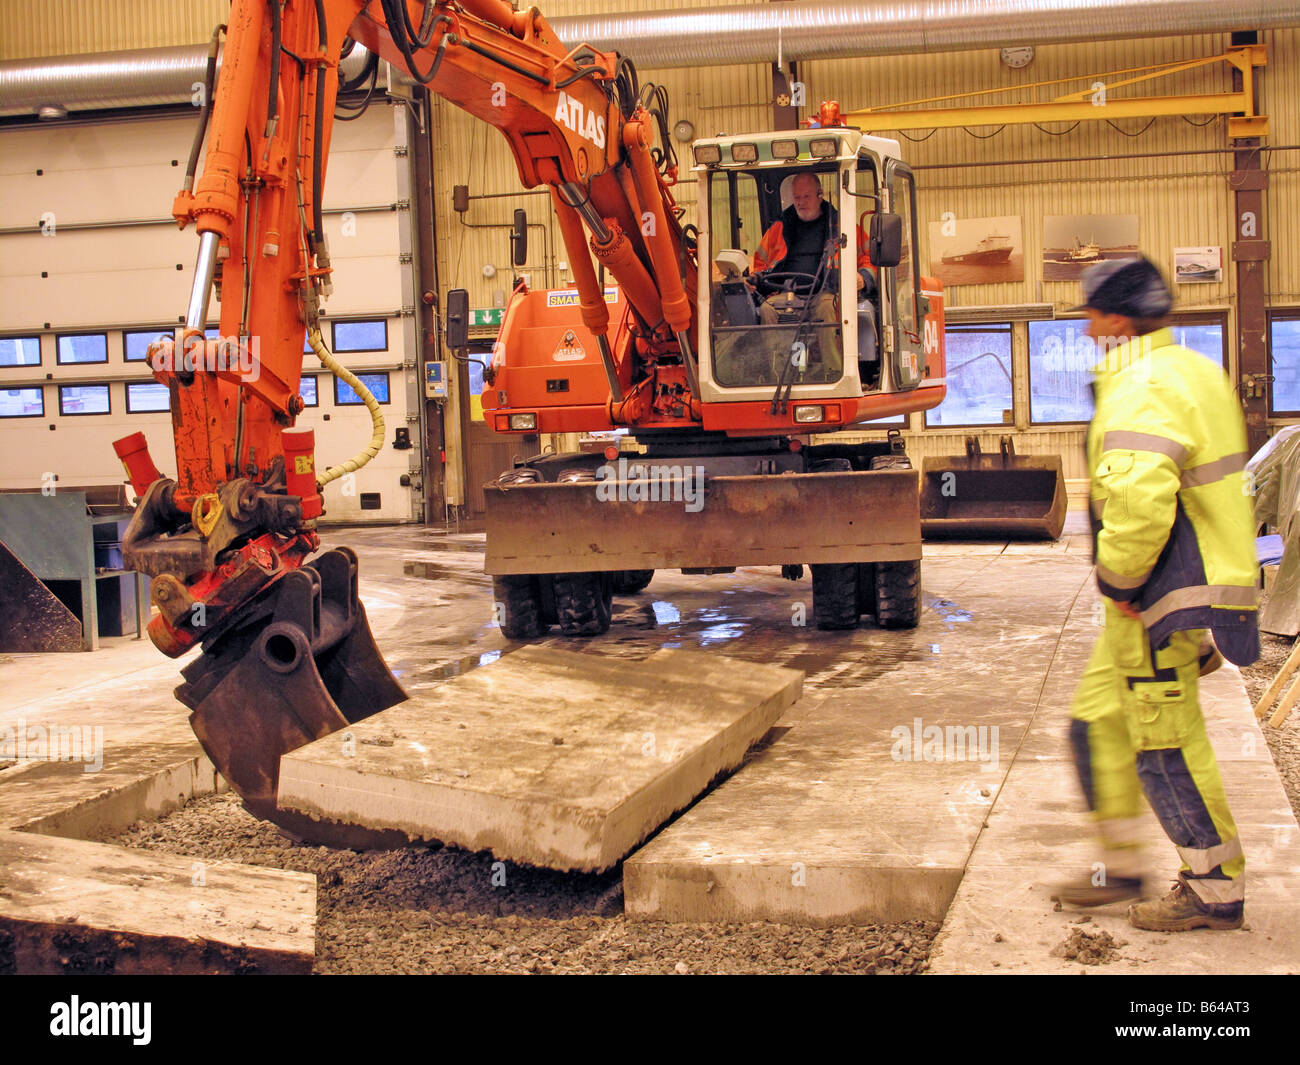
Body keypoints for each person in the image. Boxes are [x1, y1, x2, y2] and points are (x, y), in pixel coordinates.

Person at [1054, 256, 1260, 932]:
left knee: (1164, 744)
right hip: (1171, 595)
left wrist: (1119, 583)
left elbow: (1141, 506)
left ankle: (1213, 888)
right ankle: (1120, 868)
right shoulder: (1192, 368)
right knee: (1095, 729)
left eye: (1090, 312)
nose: (1084, 326)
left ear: (1116, 318)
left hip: (1152, 597)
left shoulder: (1141, 383)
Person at [749, 172, 876, 326]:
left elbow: (870, 257)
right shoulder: (780, 227)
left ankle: (832, 351)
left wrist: (863, 277)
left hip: (826, 292)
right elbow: (761, 262)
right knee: (767, 309)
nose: (801, 202)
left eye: (806, 196)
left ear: (820, 195)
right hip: (788, 293)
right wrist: (755, 279)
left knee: (828, 307)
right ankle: (777, 351)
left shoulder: (842, 226)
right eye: (797, 197)